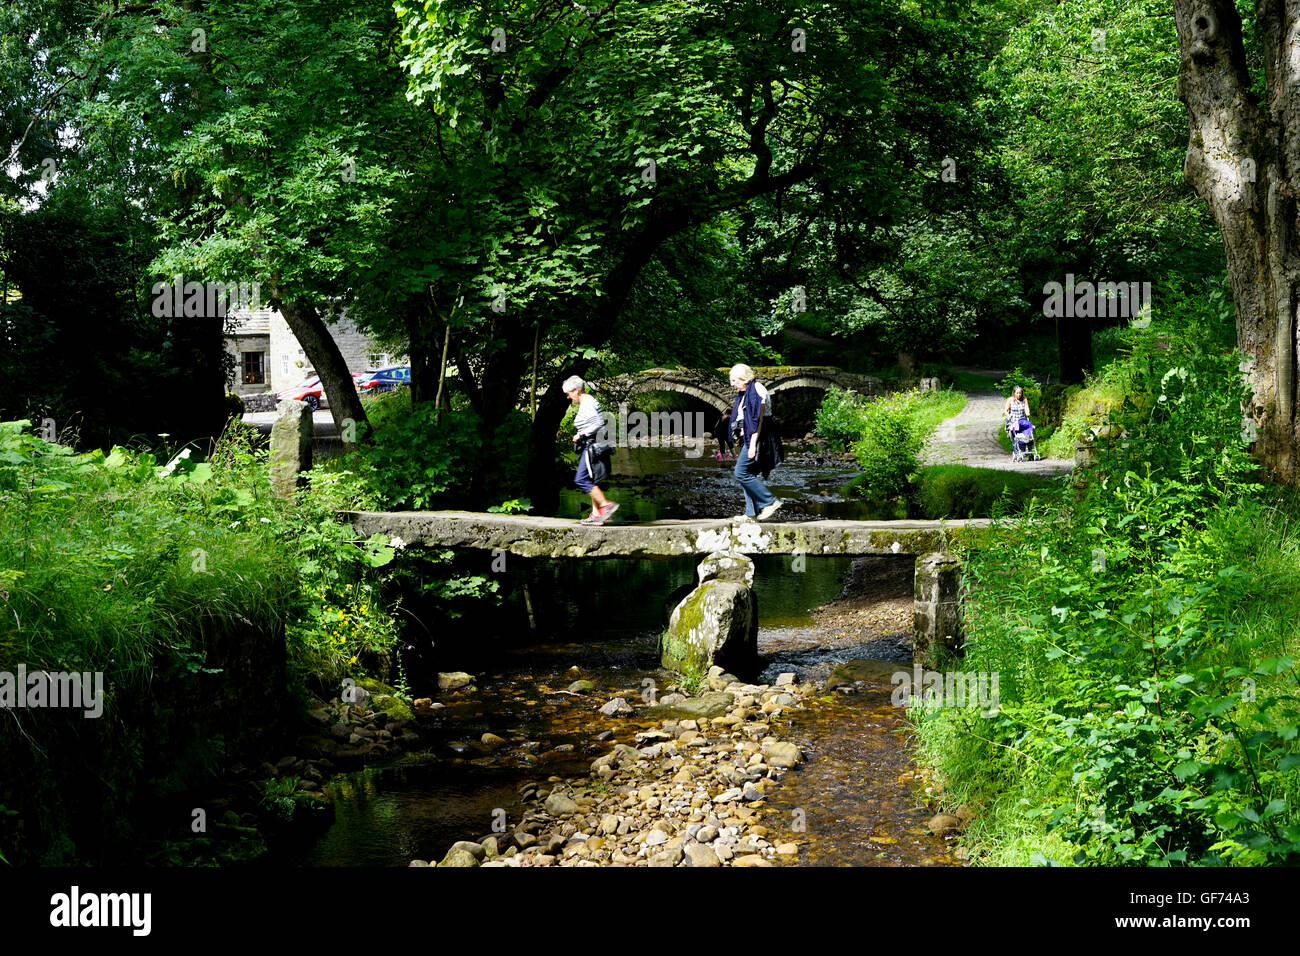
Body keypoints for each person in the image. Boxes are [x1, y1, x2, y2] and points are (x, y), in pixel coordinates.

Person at [728, 363, 782, 520]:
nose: (732, 385)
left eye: (734, 380)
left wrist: (752, 446)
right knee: (748, 473)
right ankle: (751, 513)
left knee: (741, 472)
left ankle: (769, 501)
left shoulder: (757, 391)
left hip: (759, 437)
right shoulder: (746, 391)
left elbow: (758, 421)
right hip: (751, 437)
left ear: (743, 378)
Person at [563, 376, 619, 525]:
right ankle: (596, 515)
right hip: (594, 444)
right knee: (592, 480)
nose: (568, 397)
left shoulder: (587, 402)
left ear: (576, 390)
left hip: (592, 445)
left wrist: (581, 434)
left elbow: (598, 422)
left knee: (581, 479)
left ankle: (606, 506)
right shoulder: (588, 401)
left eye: (569, 393)